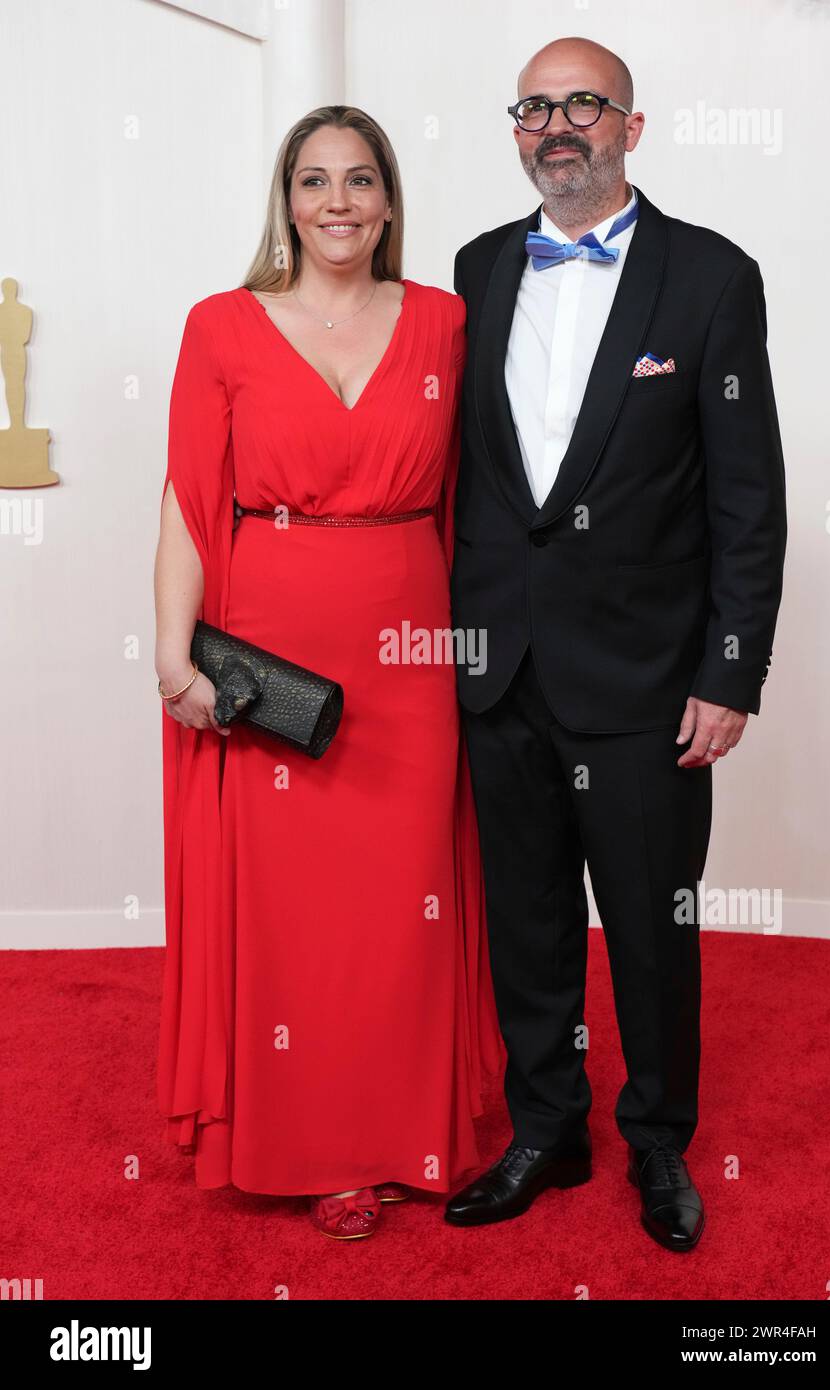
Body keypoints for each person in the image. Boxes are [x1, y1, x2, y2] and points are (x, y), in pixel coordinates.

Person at [445, 38, 786, 1250]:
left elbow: (745, 492)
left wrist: (728, 669)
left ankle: (656, 1143)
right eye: (534, 107)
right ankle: (544, 1127)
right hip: (499, 668)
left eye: (582, 104)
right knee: (525, 921)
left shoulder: (708, 277)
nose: (557, 125)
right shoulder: (477, 268)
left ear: (629, 128)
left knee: (648, 925)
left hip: (647, 681)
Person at [153, 104, 503, 1240]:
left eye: (360, 181)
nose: (337, 204)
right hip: (271, 656)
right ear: (285, 201)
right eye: (314, 182)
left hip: (410, 648)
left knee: (407, 904)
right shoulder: (221, 325)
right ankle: (311, 1149)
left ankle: (407, 1134)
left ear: (390, 202)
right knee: (291, 913)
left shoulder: (448, 322)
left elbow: (494, 497)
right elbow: (189, 501)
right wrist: (173, 655)